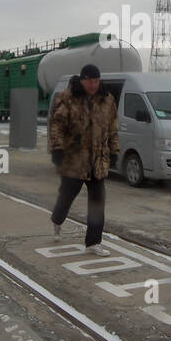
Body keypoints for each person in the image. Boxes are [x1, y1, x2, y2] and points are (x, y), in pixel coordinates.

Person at [48, 64, 119, 254]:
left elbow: (113, 128)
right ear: (82, 80)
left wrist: (114, 151)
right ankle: (57, 220)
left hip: (97, 160)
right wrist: (57, 149)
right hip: (74, 160)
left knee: (97, 202)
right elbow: (57, 126)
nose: (93, 85)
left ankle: (93, 243)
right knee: (67, 196)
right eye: (90, 81)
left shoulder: (107, 100)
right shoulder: (67, 99)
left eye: (96, 81)